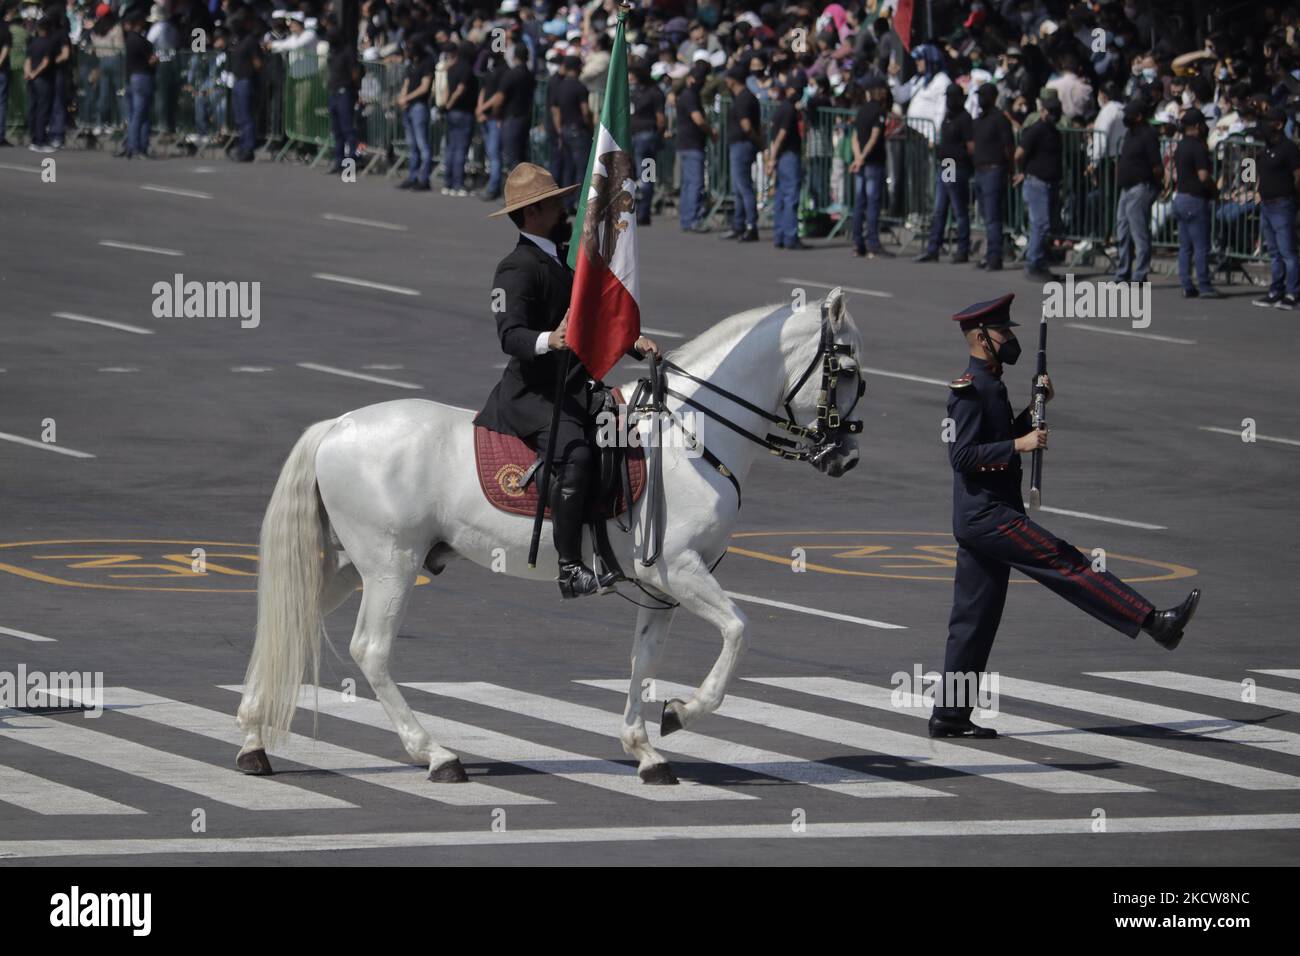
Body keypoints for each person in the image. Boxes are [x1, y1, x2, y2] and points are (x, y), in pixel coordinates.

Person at [932, 293, 1201, 739]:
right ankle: (1155, 623)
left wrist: (1033, 412)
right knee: (1066, 562)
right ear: (982, 337)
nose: (1011, 338)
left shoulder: (991, 383)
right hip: (988, 516)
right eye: (1004, 332)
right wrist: (1020, 445)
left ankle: (949, 716)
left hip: (985, 516)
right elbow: (961, 456)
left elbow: (996, 436)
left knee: (973, 618)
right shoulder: (969, 389)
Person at [474, 164, 658, 598]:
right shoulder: (516, 268)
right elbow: (510, 335)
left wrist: (631, 341)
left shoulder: (565, 255)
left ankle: (610, 552)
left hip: (575, 384)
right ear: (535, 211)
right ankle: (571, 567)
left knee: (623, 435)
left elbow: (591, 318)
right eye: (556, 202)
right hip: (534, 393)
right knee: (575, 454)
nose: (565, 208)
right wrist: (549, 339)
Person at [917, 84, 973, 264]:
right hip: (946, 165)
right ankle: (933, 248)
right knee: (940, 209)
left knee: (958, 209)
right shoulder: (948, 117)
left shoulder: (964, 118)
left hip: (956, 165)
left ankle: (962, 250)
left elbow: (970, 145)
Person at [1251, 106, 1300, 310]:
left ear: (1279, 125)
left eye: (1269, 122)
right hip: (1267, 205)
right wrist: (1257, 190)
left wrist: (1293, 195)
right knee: (1274, 253)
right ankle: (1275, 290)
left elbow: (1298, 174)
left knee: (1288, 251)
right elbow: (1257, 173)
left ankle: (1293, 293)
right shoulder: (1265, 149)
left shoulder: (1288, 148)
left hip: (1282, 204)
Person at [1170, 107, 1220, 298]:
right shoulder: (1198, 147)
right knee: (1201, 247)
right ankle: (1205, 285)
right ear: (1198, 126)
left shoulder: (1181, 145)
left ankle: (1186, 284)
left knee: (1185, 247)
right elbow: (1203, 175)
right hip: (1195, 200)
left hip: (1180, 197)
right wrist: (1214, 191)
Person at [1014, 88, 1063, 280]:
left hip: (1050, 182)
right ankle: (1033, 263)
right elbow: (1018, 154)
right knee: (1040, 224)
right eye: (1049, 111)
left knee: (1045, 225)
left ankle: (1041, 262)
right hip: (1037, 183)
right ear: (1042, 112)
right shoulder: (1037, 130)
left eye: (1056, 111)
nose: (1053, 115)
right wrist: (1022, 173)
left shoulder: (1054, 132)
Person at [1113, 97, 1161, 283]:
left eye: (1129, 115)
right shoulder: (1130, 133)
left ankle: (1140, 274)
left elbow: (1156, 165)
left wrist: (1156, 185)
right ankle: (1122, 272)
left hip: (1141, 187)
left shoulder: (1148, 134)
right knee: (1122, 232)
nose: (1126, 117)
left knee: (1139, 233)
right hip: (1126, 188)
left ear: (1139, 116)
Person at [971, 82, 1012, 270]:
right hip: (979, 171)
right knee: (987, 217)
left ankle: (995, 257)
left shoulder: (1000, 119)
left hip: (994, 171)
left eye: (984, 95)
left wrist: (1008, 168)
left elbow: (1008, 147)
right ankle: (989, 254)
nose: (980, 99)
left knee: (993, 218)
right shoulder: (979, 119)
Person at [849, 75, 891, 259]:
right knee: (872, 203)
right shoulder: (879, 111)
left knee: (860, 203)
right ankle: (872, 242)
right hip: (873, 162)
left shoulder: (862, 110)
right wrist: (863, 157)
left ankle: (857, 243)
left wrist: (858, 157)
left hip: (862, 162)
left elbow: (854, 137)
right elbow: (874, 137)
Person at [721, 61, 760, 242]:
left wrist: (757, 141)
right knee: (738, 188)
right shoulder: (741, 97)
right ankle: (739, 224)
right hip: (739, 144)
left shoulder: (745, 98)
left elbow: (746, 125)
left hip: (742, 145)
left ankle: (751, 225)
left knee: (744, 187)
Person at [767, 68, 805, 250]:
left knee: (782, 196)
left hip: (782, 156)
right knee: (790, 197)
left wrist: (772, 157)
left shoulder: (782, 107)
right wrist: (772, 158)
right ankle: (790, 236)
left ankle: (780, 235)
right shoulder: (789, 109)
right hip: (788, 155)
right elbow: (781, 135)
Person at [675, 60, 711, 232]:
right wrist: (712, 132)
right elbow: (698, 119)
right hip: (692, 144)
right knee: (695, 183)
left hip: (687, 143)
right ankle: (692, 219)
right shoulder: (690, 96)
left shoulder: (688, 94)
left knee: (689, 183)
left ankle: (687, 219)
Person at [551, 54, 591, 211]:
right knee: (582, 168)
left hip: (565, 129)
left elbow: (555, 110)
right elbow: (585, 111)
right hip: (578, 130)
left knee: (568, 167)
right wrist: (589, 125)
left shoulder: (559, 86)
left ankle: (567, 203)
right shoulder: (580, 87)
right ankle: (581, 202)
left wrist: (559, 129)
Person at [628, 61, 665, 226]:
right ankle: (642, 211)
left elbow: (660, 119)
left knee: (644, 176)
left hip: (643, 137)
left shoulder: (651, 92)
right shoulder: (643, 92)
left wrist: (658, 135)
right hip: (641, 137)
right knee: (646, 176)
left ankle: (642, 211)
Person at [396, 36, 433, 191]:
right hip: (409, 107)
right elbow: (406, 83)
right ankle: (412, 176)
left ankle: (423, 178)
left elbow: (424, 87)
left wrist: (407, 97)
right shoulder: (411, 64)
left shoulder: (426, 63)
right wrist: (402, 98)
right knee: (412, 145)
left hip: (419, 106)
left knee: (421, 144)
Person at [441, 41, 478, 197]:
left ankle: (448, 183)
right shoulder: (466, 69)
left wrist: (446, 105)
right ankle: (457, 184)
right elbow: (460, 89)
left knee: (451, 148)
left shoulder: (452, 68)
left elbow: (447, 89)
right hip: (463, 111)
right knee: (460, 149)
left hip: (452, 113)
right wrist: (450, 103)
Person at [120, 13, 156, 159]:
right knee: (140, 114)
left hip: (132, 77)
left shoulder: (129, 39)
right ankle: (135, 146)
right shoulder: (139, 40)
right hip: (142, 77)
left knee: (137, 113)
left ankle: (135, 145)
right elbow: (151, 60)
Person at [496, 41, 535, 172]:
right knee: (521, 155)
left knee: (512, 157)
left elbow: (500, 97)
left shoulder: (511, 74)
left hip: (512, 118)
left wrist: (497, 114)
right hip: (524, 117)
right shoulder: (529, 75)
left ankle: (516, 189)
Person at [324, 28, 358, 175]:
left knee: (347, 129)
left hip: (345, 91)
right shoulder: (333, 51)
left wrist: (354, 88)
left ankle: (350, 163)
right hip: (334, 91)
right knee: (337, 130)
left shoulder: (347, 51)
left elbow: (354, 73)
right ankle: (338, 161)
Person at [228, 16, 261, 163]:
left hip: (246, 81)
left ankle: (248, 148)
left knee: (246, 117)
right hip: (237, 80)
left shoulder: (250, 41)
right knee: (240, 117)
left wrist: (250, 74)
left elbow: (257, 62)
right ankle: (242, 145)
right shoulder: (237, 40)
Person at [475, 50, 506, 202]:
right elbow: (484, 89)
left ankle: (494, 187)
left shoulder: (503, 71)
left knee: (494, 154)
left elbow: (499, 96)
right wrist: (480, 108)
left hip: (494, 118)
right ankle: (492, 185)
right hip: (486, 117)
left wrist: (483, 108)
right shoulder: (490, 70)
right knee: (490, 153)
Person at [23, 18, 55, 154]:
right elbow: (46, 62)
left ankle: (34, 138)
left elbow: (28, 60)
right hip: (42, 79)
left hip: (32, 79)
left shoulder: (33, 43)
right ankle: (40, 140)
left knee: (33, 109)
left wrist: (28, 73)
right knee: (42, 110)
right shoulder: (48, 43)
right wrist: (35, 73)